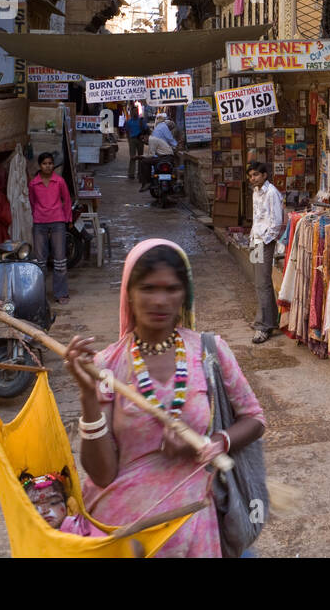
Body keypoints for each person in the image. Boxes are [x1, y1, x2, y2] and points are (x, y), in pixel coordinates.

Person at [61, 239, 266, 558]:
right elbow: (101, 475)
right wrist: (88, 395)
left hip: (192, 533)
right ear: (129, 293)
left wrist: (214, 442)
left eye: (171, 289)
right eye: (148, 288)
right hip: (124, 536)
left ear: (185, 295)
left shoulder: (209, 352)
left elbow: (255, 419)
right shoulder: (106, 367)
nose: (160, 300)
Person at [247, 161, 284, 345]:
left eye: (255, 175)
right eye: (251, 175)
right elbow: (257, 218)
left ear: (264, 175)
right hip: (255, 239)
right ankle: (268, 320)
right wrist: (253, 237)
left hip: (264, 241)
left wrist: (265, 240)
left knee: (263, 282)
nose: (252, 178)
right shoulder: (256, 192)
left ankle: (264, 326)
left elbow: (276, 222)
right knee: (259, 282)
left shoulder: (272, 193)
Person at [28, 152, 71, 304]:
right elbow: (32, 202)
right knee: (40, 261)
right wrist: (37, 216)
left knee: (60, 260)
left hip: (58, 222)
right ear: (40, 166)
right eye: (45, 163)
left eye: (50, 163)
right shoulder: (34, 183)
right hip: (40, 223)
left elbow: (66, 199)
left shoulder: (59, 181)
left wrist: (67, 219)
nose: (48, 166)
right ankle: (39, 295)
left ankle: (61, 293)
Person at [126, 104, 147, 180]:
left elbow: (146, 129)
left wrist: (144, 137)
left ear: (137, 112)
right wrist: (129, 139)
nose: (134, 113)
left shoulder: (141, 121)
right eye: (133, 111)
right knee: (132, 157)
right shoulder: (128, 122)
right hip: (132, 139)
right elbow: (127, 131)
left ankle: (140, 173)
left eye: (136, 111)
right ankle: (131, 173)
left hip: (140, 140)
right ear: (131, 112)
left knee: (141, 157)